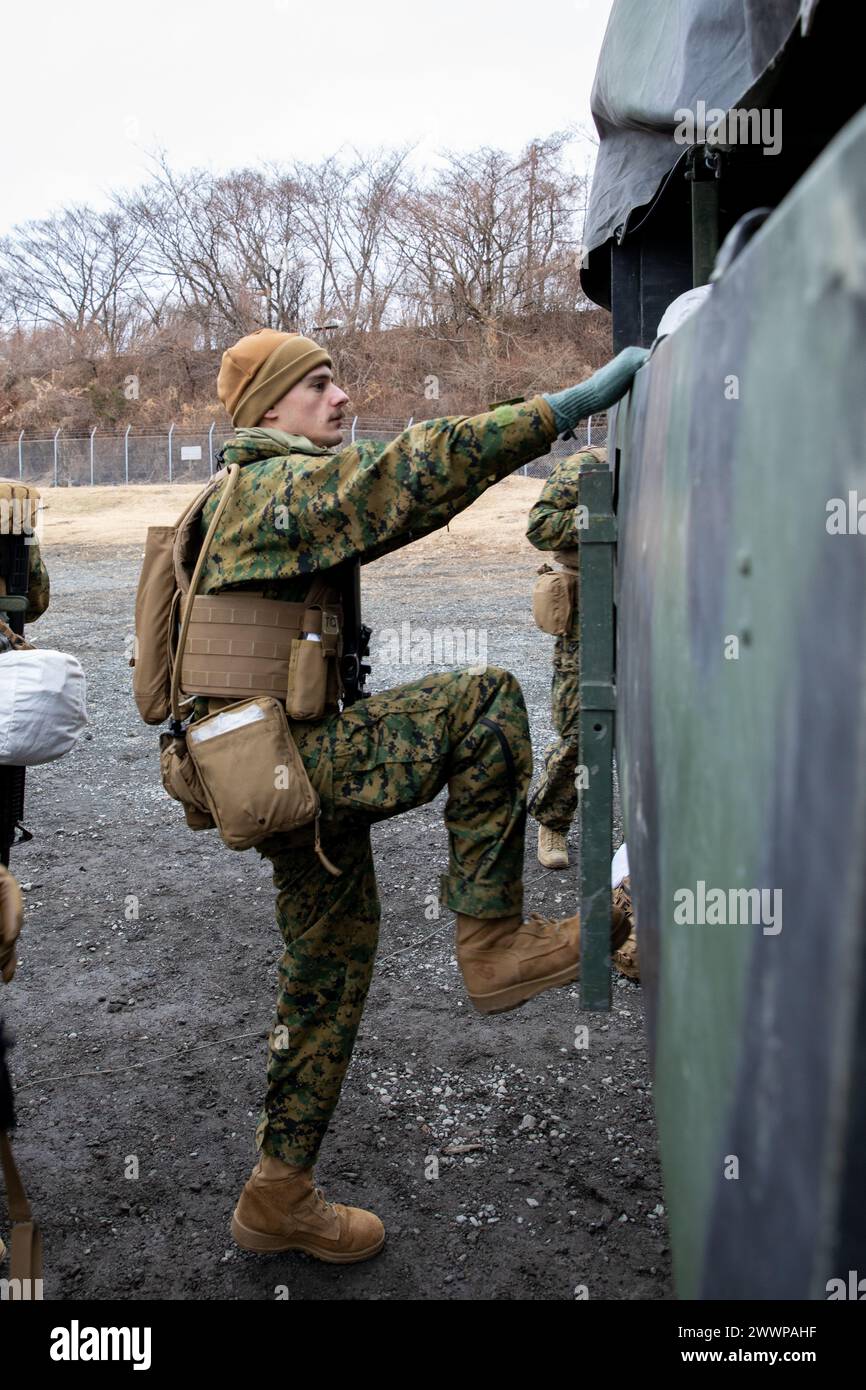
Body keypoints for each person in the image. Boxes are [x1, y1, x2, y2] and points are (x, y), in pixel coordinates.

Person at [190, 329, 647, 1263]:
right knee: (483, 701)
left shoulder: (255, 490)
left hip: (277, 768)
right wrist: (563, 408)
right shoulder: (270, 489)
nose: (341, 397)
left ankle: (276, 1196)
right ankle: (495, 948)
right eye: (317, 385)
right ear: (268, 410)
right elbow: (410, 476)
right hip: (290, 764)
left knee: (327, 970)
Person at [526, 447, 606, 869]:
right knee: (580, 728)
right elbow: (539, 526)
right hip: (587, 612)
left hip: (653, 605)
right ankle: (552, 820)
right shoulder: (587, 463)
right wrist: (598, 520)